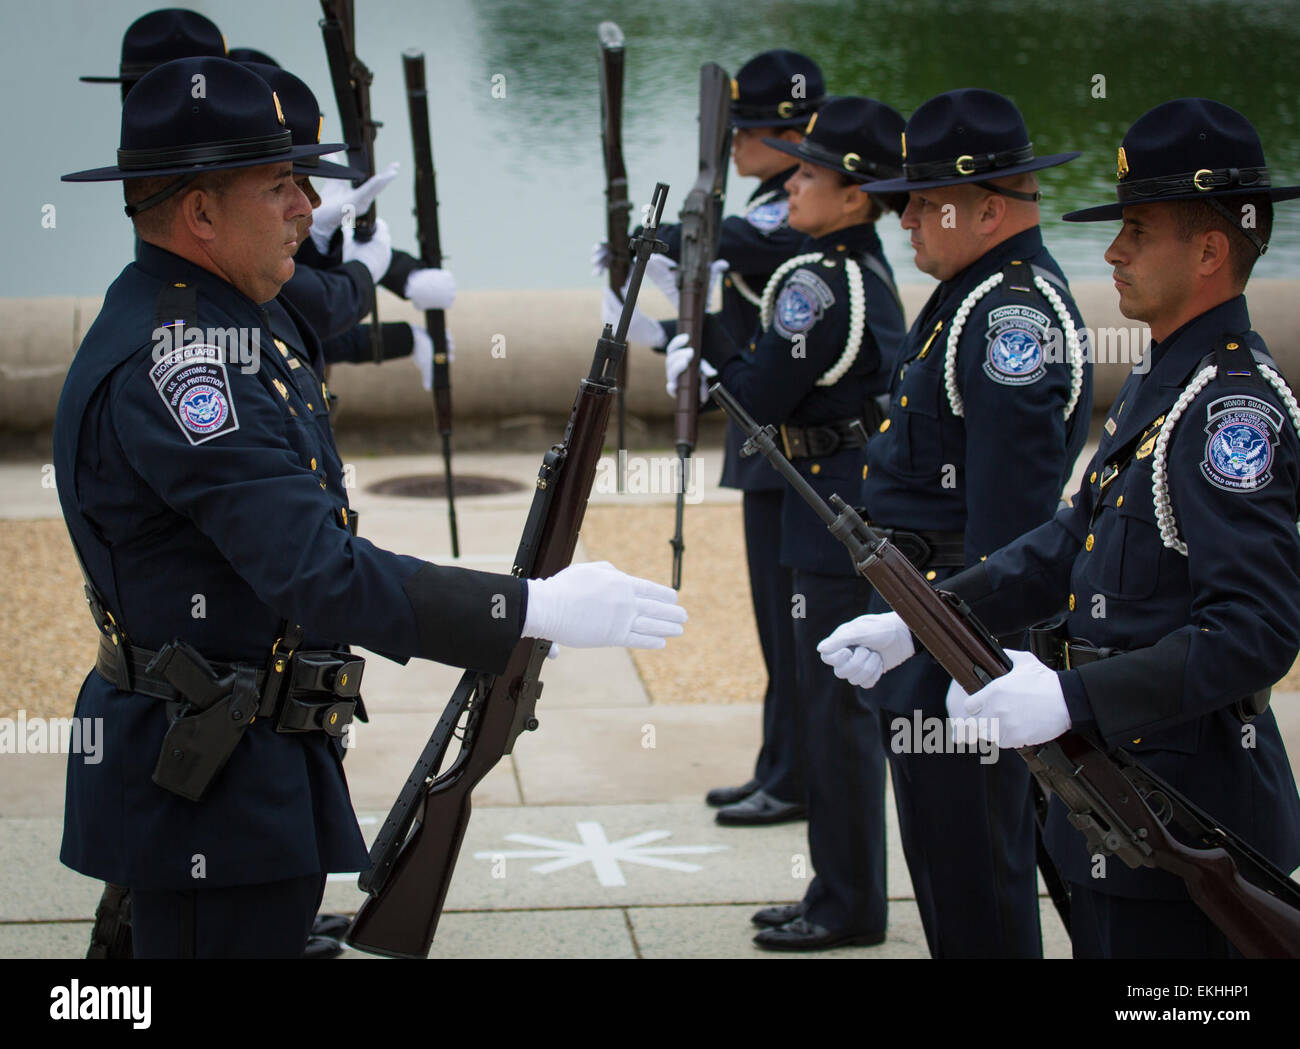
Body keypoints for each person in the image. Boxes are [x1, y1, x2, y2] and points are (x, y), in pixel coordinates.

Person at [56, 56, 687, 959]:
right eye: (280, 186)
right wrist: (531, 608)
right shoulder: (185, 363)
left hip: (245, 770)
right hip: (211, 797)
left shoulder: (233, 313)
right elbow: (313, 569)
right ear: (200, 212)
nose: (309, 209)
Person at [825, 97, 1300, 958]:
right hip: (1121, 795)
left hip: (1190, 809)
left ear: (1208, 251)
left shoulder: (1231, 409)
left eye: (1138, 230)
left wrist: (1070, 696)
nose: (1112, 251)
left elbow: (1257, 631)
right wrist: (923, 621)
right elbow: (1062, 542)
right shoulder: (1166, 379)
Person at [816, 88, 1093, 956]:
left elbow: (1011, 521)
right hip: (932, 623)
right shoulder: (971, 295)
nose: (906, 221)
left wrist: (975, 665)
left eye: (925, 203)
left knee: (976, 877)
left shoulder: (1010, 317)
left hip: (961, 637)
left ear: (989, 207)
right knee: (947, 865)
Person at [663, 96, 908, 949]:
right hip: (842, 492)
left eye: (811, 172)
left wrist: (701, 351)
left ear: (855, 196)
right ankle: (837, 893)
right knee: (834, 709)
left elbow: (760, 394)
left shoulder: (816, 278)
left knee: (838, 716)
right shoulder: (857, 267)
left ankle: (845, 905)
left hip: (824, 503)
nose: (792, 183)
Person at [598, 49, 828, 826]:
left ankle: (796, 776)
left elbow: (742, 247)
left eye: (751, 129)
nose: (736, 144)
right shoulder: (779, 199)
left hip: (795, 444)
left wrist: (667, 240)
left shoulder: (785, 212)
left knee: (795, 630)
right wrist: (670, 322)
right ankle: (780, 765)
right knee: (776, 623)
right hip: (771, 445)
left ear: (792, 135)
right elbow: (736, 307)